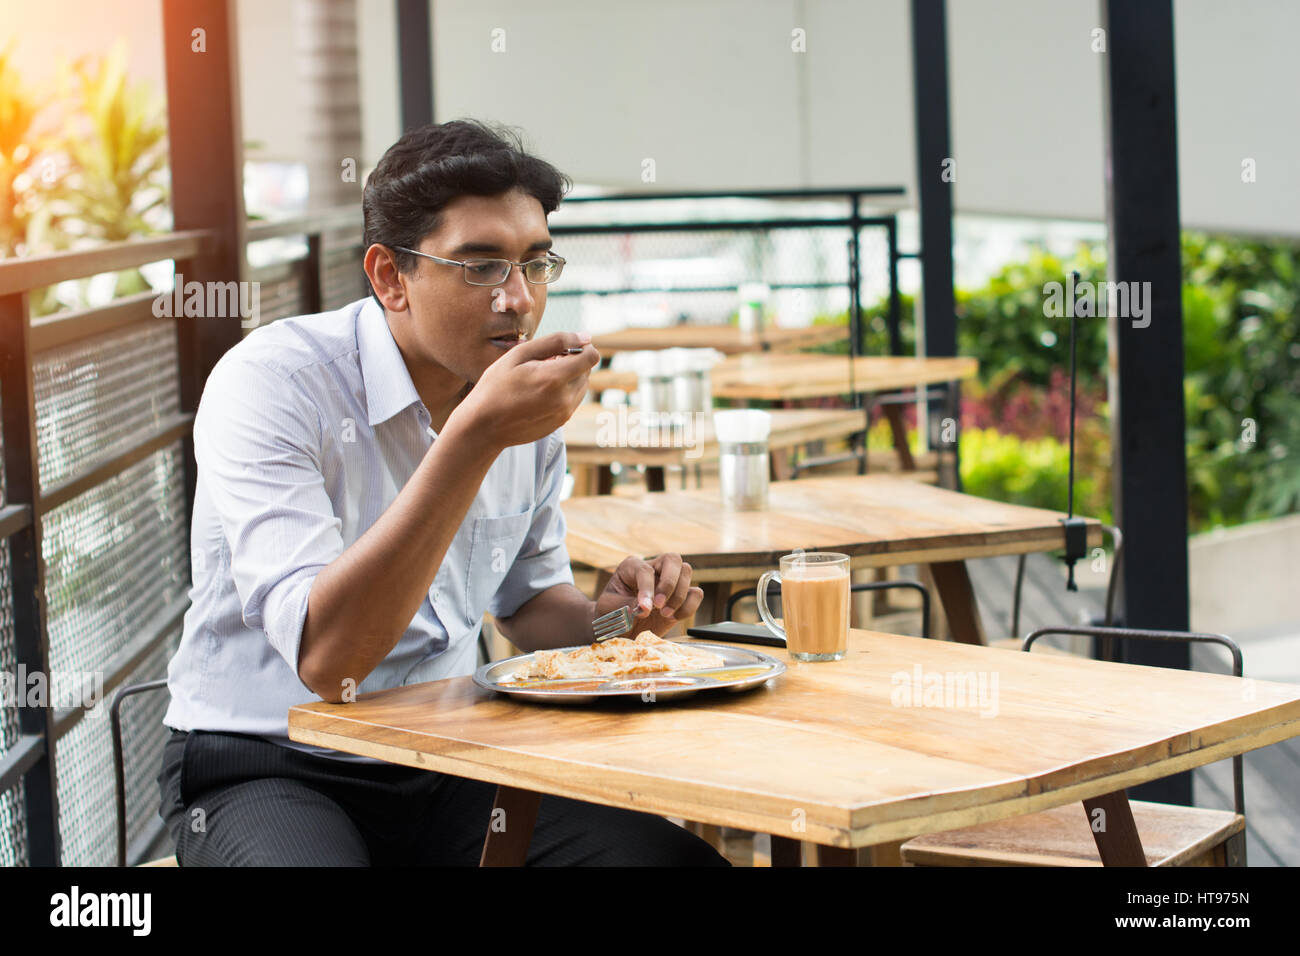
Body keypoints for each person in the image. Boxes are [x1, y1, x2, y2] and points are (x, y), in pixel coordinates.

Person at [157, 119, 727, 866]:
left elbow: (528, 608)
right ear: (391, 278)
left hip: (453, 756)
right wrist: (476, 437)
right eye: (481, 267)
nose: (518, 300)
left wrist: (617, 622)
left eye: (535, 263)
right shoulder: (273, 384)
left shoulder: (516, 399)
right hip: (269, 761)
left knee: (669, 863)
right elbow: (333, 665)